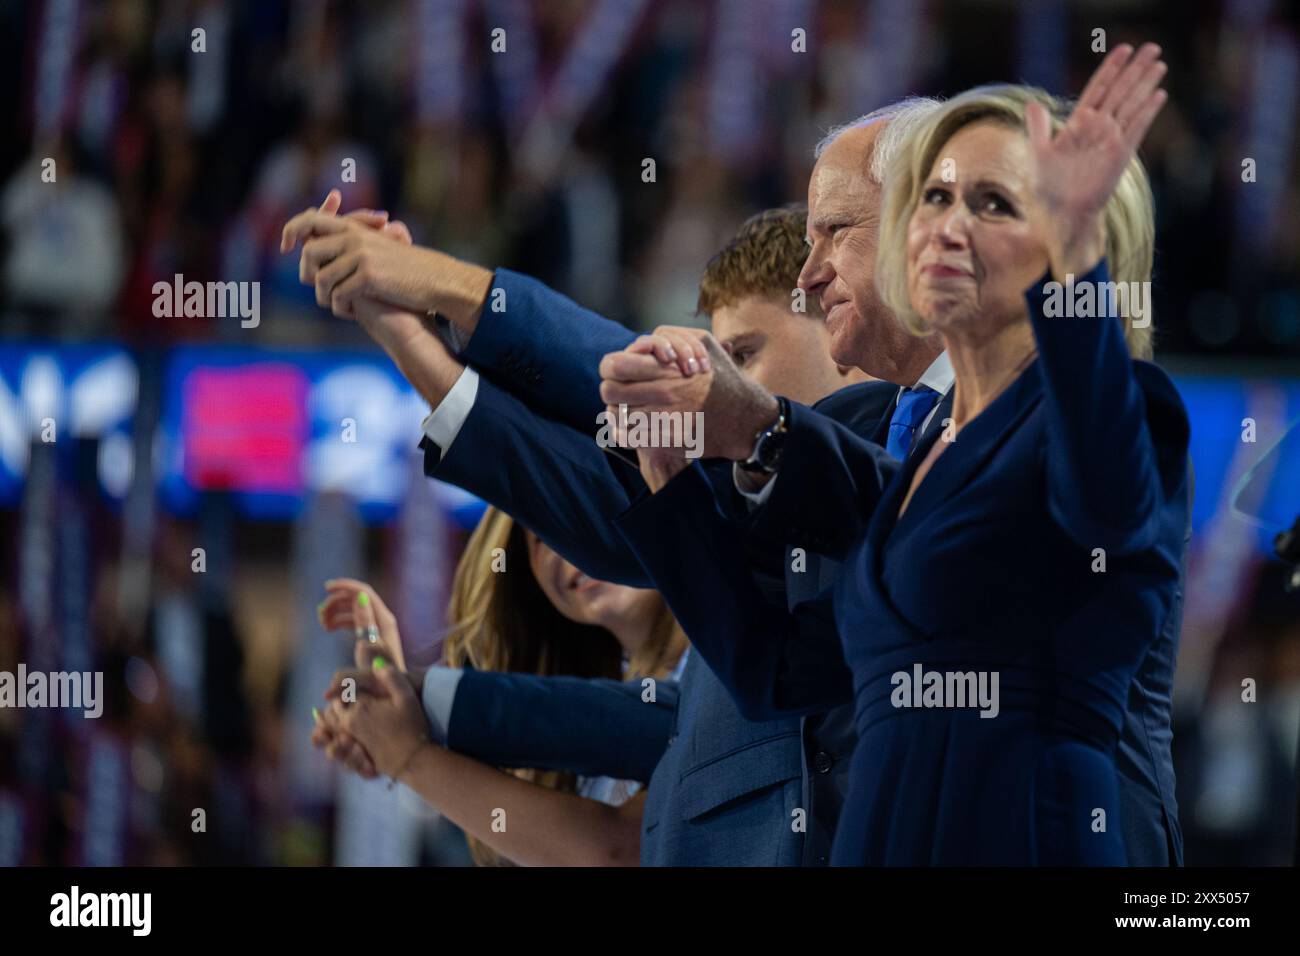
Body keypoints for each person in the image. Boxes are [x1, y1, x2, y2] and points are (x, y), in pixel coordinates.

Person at [607, 44, 1188, 864]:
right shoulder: (915, 456)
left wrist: (1078, 273)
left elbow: (1103, 502)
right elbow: (776, 671)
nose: (948, 223)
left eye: (994, 203)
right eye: (936, 196)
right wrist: (670, 488)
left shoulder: (1124, 411)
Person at [281, 192, 927, 864]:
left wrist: (442, 285)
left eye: (743, 354)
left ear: (837, 323)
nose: (720, 383)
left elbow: (643, 427)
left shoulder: (913, 458)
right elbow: (650, 721)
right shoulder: (764, 552)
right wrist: (421, 708)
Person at [312, 506, 686, 866]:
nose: (570, 545)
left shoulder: (726, 677)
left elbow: (618, 852)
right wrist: (394, 703)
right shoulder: (583, 717)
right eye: (542, 535)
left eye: (590, 505)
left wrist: (409, 755)